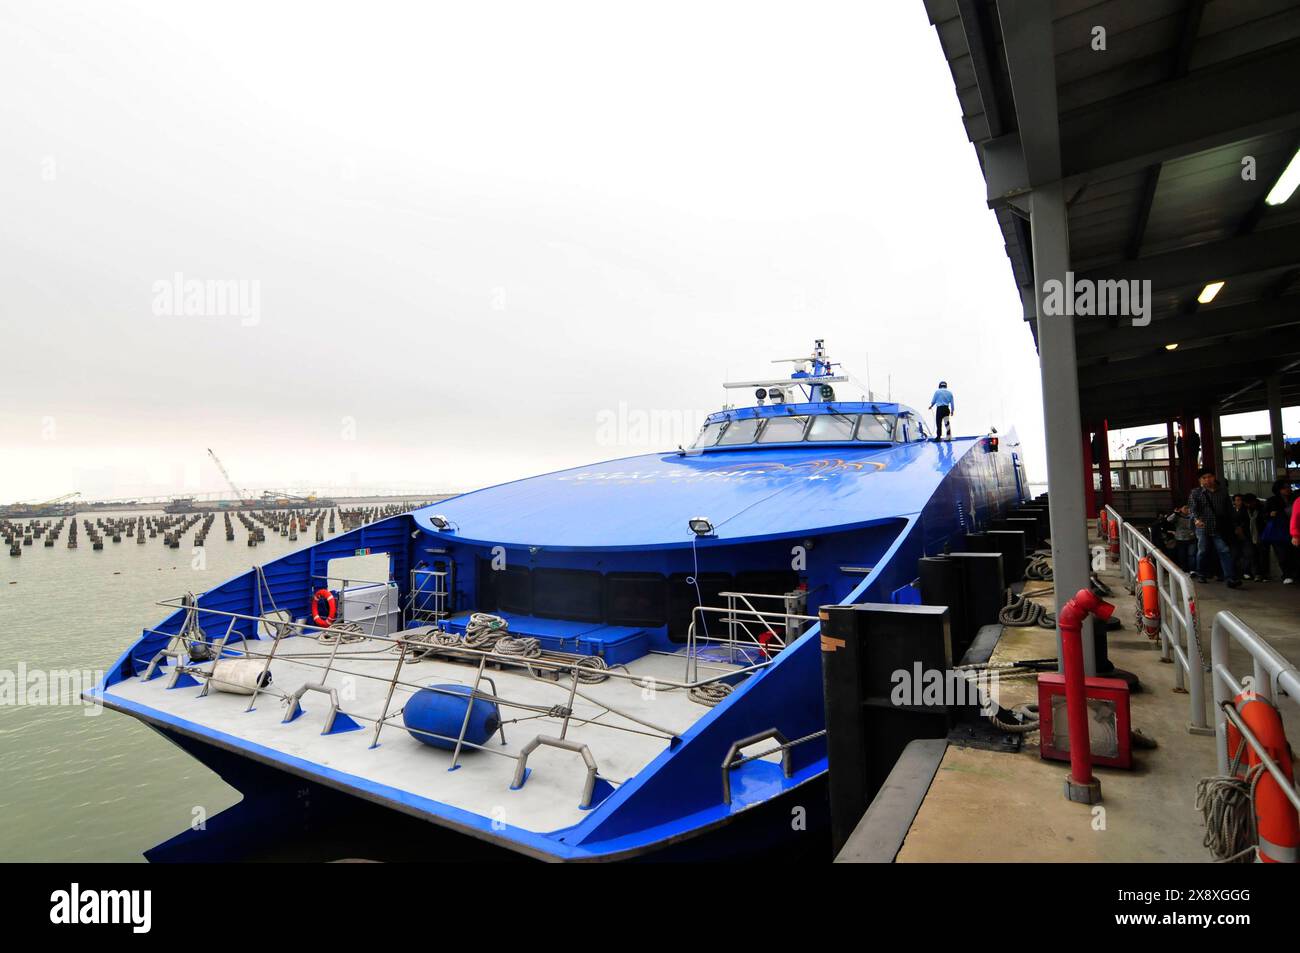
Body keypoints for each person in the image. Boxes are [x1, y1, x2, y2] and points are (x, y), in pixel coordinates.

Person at [1188, 469, 1241, 588]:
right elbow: (1193, 509)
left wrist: (1235, 525)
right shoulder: (1196, 493)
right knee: (1203, 550)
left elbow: (1229, 509)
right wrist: (1196, 520)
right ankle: (1201, 573)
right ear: (1200, 480)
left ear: (1214, 477)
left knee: (1224, 550)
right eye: (1204, 478)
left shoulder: (1222, 492)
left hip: (1219, 526)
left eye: (1210, 476)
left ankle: (1230, 577)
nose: (1207, 480)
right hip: (1203, 526)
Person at [1261, 479, 1295, 584]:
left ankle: (1294, 573)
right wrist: (1270, 515)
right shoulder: (1272, 500)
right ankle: (1286, 574)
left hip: (1293, 529)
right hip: (1278, 531)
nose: (1288, 489)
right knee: (1282, 554)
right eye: (1285, 487)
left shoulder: (1294, 498)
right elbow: (1263, 515)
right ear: (1279, 489)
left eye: (1289, 487)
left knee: (1293, 553)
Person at [1164, 503, 1196, 571]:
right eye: (1185, 508)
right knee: (1182, 555)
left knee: (1191, 555)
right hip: (1180, 538)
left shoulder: (1192, 516)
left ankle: (1192, 570)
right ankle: (1184, 569)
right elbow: (1168, 520)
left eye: (1188, 508)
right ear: (1181, 509)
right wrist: (1175, 513)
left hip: (1191, 538)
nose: (1187, 510)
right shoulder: (1177, 516)